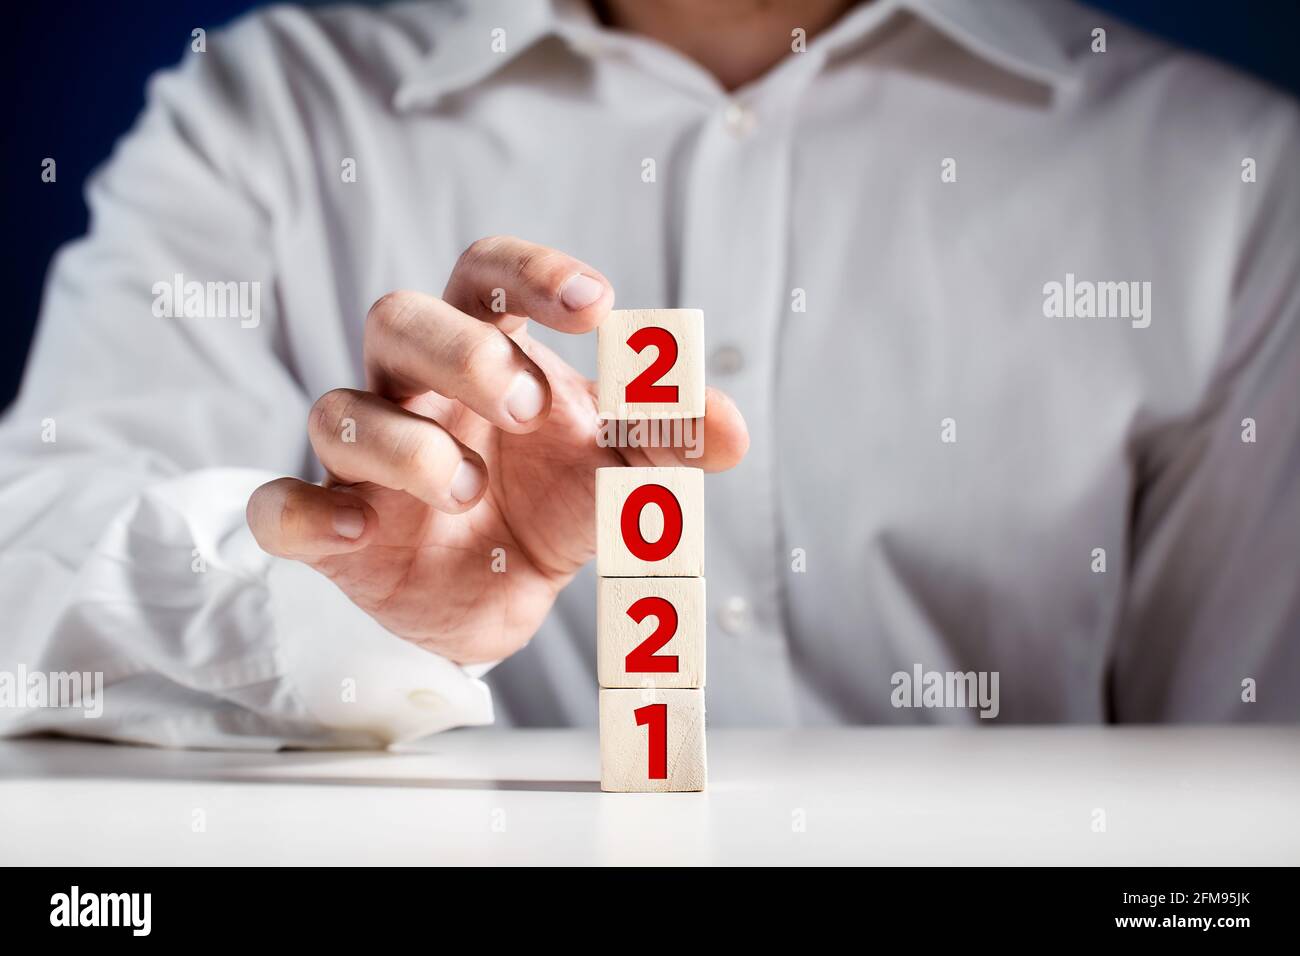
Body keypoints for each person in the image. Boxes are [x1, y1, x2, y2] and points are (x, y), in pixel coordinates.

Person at [1, 0, 1297, 749]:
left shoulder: (1233, 185)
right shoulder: (270, 117)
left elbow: (1255, 792)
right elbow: (27, 558)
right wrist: (343, 621)